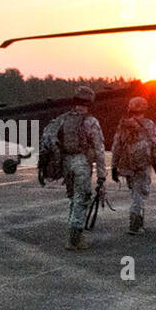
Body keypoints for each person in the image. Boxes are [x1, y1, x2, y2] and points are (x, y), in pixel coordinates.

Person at [40, 85, 105, 250]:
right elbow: (99, 149)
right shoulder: (91, 121)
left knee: (73, 198)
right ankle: (75, 238)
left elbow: (47, 138)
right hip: (82, 163)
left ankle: (75, 232)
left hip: (66, 163)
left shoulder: (62, 119)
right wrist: (102, 175)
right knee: (81, 198)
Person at [111, 96, 156, 235]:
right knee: (140, 194)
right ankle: (135, 224)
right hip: (142, 165)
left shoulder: (123, 124)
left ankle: (139, 222)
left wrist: (114, 167)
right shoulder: (149, 124)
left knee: (134, 192)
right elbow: (155, 143)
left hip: (127, 164)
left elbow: (116, 146)